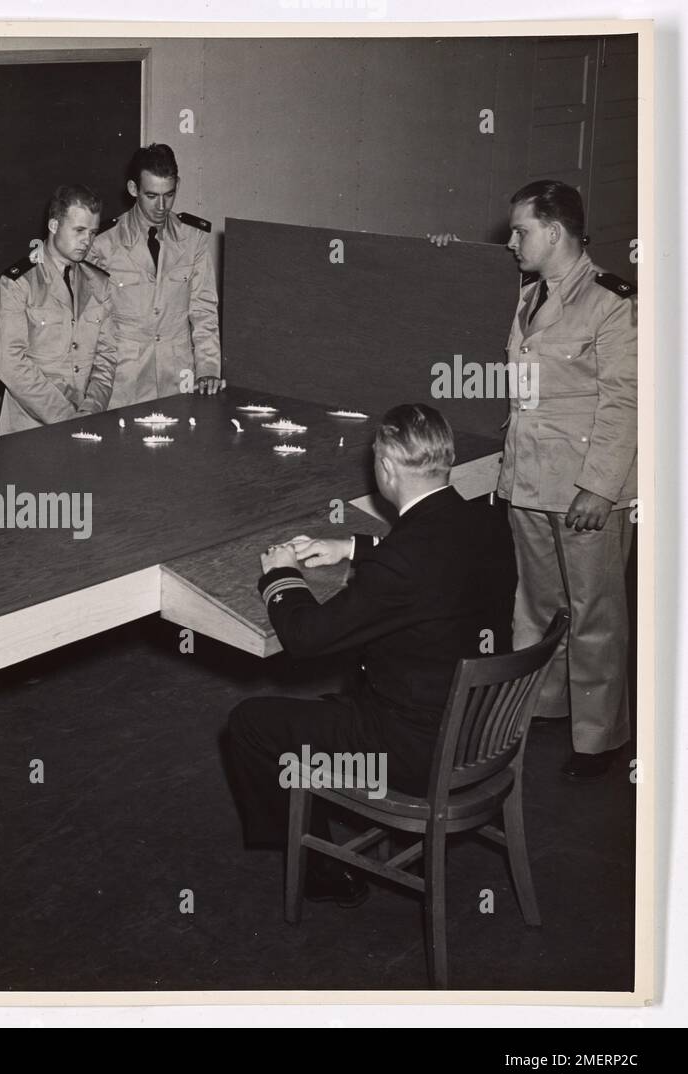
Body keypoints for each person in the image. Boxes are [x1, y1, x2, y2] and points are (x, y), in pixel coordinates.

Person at [222, 405, 517, 905]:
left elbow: (307, 637)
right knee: (339, 699)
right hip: (482, 730)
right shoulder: (483, 520)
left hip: (416, 750)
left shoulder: (401, 565)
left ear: (384, 469)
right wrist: (355, 546)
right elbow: (428, 553)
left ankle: (319, 870)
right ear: (442, 459)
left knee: (250, 723)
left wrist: (280, 577)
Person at [429, 181, 637, 780]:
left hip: (584, 488)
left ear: (555, 231)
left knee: (594, 611)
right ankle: (544, 707)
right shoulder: (528, 294)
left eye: (521, 231)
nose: (512, 241)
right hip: (528, 479)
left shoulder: (612, 303)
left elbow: (626, 405)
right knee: (536, 604)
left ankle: (600, 739)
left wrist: (600, 487)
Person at [87, 143, 221, 406]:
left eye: (169, 195)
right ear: (133, 189)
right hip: (124, 385)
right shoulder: (102, 245)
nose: (161, 206)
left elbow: (204, 310)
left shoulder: (193, 239)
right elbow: (92, 326)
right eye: (151, 196)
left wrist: (208, 370)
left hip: (179, 381)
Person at [0, 185, 117, 434]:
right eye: (79, 230)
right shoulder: (18, 283)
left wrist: (91, 410)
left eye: (92, 232)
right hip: (30, 429)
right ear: (53, 226)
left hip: (86, 423)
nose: (87, 241)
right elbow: (10, 364)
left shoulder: (99, 283)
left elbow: (107, 356)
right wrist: (67, 417)